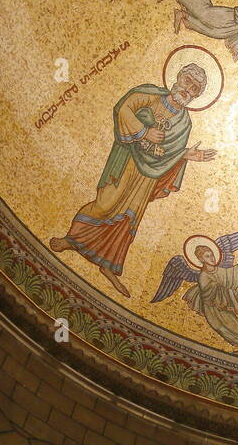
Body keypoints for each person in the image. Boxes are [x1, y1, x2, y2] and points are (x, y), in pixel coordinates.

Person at [49, 65, 216, 298]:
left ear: (196, 96)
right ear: (177, 78)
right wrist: (144, 132)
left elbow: (172, 151)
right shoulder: (150, 94)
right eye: (187, 81)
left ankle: (108, 263)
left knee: (130, 218)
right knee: (106, 203)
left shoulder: (185, 123)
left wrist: (186, 154)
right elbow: (123, 108)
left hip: (148, 175)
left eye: (194, 88)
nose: (188, 89)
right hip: (127, 161)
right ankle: (71, 239)